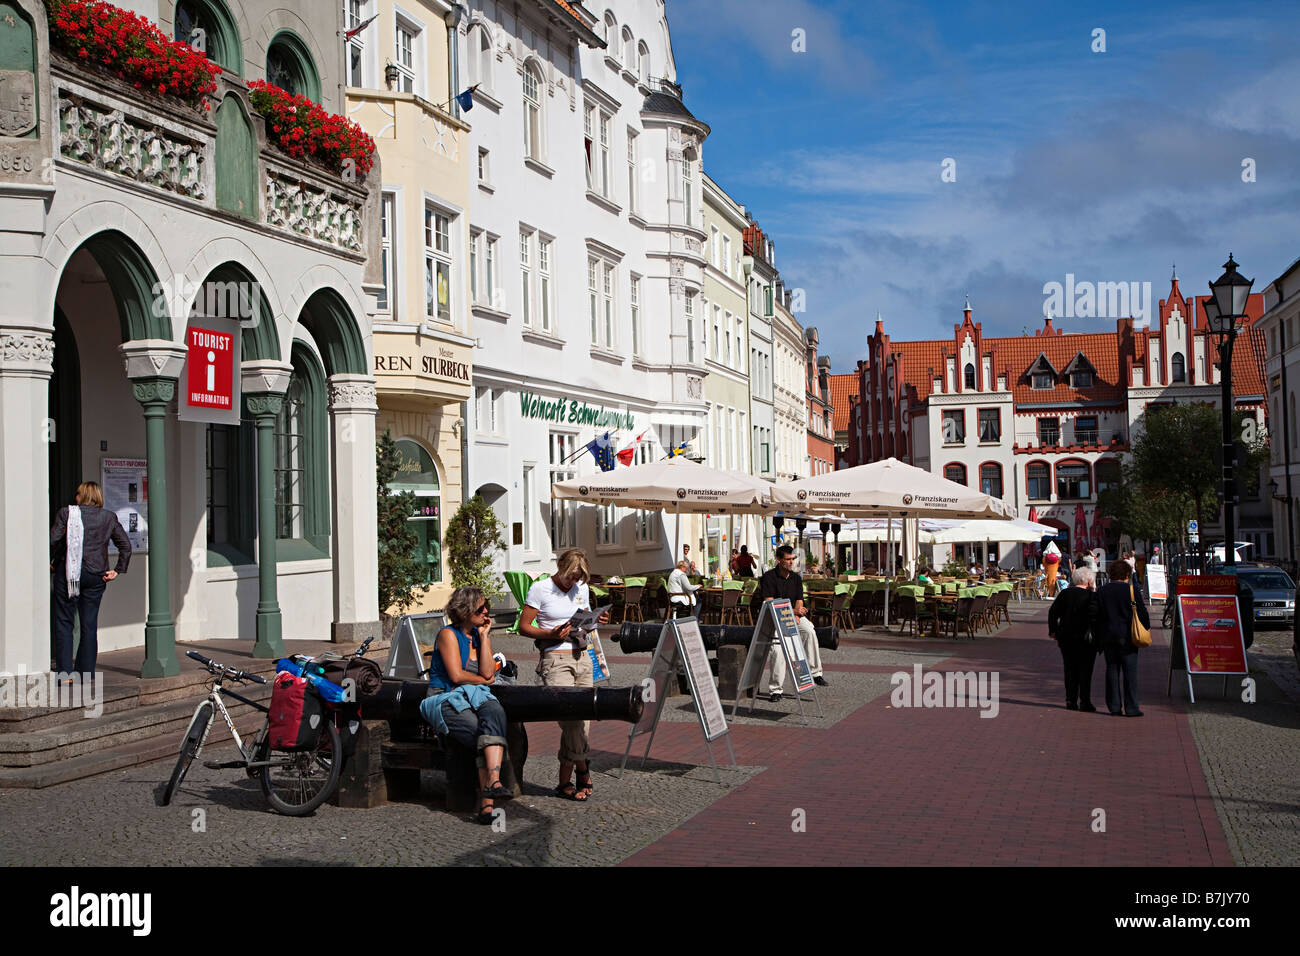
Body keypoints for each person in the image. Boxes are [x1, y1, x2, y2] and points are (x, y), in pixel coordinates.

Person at [519, 548, 609, 801]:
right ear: (560, 567)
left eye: (579, 578)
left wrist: (596, 620)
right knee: (570, 719)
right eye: (570, 576)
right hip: (556, 658)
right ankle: (582, 770)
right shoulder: (540, 589)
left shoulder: (581, 588)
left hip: (582, 654)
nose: (574, 582)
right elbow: (523, 627)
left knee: (583, 722)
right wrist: (550, 634)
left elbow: (586, 622)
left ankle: (563, 782)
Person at [419, 586, 511, 824]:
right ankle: (488, 804)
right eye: (481, 608)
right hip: (446, 696)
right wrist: (484, 680)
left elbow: (488, 671)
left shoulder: (478, 636)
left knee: (495, 713)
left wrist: (484, 636)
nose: (486, 612)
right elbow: (457, 676)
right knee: (479, 732)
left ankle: (493, 785)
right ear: (465, 610)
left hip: (475, 695)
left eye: (486, 606)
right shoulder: (448, 634)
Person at [50, 481, 131, 677]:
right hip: (96, 575)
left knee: (64, 622)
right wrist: (117, 570)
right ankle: (85, 673)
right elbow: (126, 546)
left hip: (69, 573)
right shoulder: (108, 517)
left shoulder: (66, 513)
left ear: (82, 496)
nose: (75, 498)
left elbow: (52, 539)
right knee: (89, 624)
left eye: (77, 494)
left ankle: (65, 673)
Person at [760, 544, 827, 700]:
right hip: (774, 619)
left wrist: (796, 614)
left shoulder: (796, 577)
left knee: (809, 630)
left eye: (793, 559)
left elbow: (799, 600)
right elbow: (770, 603)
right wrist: (794, 612)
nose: (791, 562)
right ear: (779, 560)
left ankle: (815, 673)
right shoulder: (769, 577)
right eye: (788, 559)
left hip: (793, 616)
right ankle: (776, 690)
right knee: (778, 651)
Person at [1097, 559, 1149, 716]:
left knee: (1112, 670)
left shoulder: (1102, 591)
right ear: (1127, 574)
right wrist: (1145, 628)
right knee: (1130, 672)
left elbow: (1097, 614)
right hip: (1128, 636)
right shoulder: (1131, 591)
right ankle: (1132, 707)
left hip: (1109, 636)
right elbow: (1142, 614)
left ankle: (1114, 706)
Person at [1048, 567, 1101, 710]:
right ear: (1089, 581)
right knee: (1086, 670)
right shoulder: (1091, 596)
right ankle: (1085, 701)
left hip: (1066, 637)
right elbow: (1096, 616)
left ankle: (1070, 700)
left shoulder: (1065, 594)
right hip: (1086, 639)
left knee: (1070, 669)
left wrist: (1053, 630)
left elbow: (1053, 612)